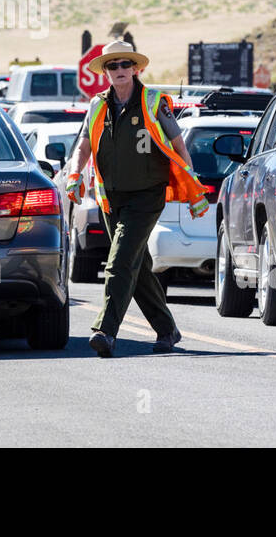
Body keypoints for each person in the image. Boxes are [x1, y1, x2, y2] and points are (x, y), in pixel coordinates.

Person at [64, 39, 209, 357]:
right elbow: (85, 144)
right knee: (137, 266)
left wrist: (191, 181)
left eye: (125, 64)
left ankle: (106, 330)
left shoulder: (154, 101)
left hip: (146, 195)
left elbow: (178, 144)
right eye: (112, 65)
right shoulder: (97, 104)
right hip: (111, 198)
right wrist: (74, 175)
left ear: (136, 68)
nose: (119, 70)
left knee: (118, 262)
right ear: (105, 71)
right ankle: (167, 330)